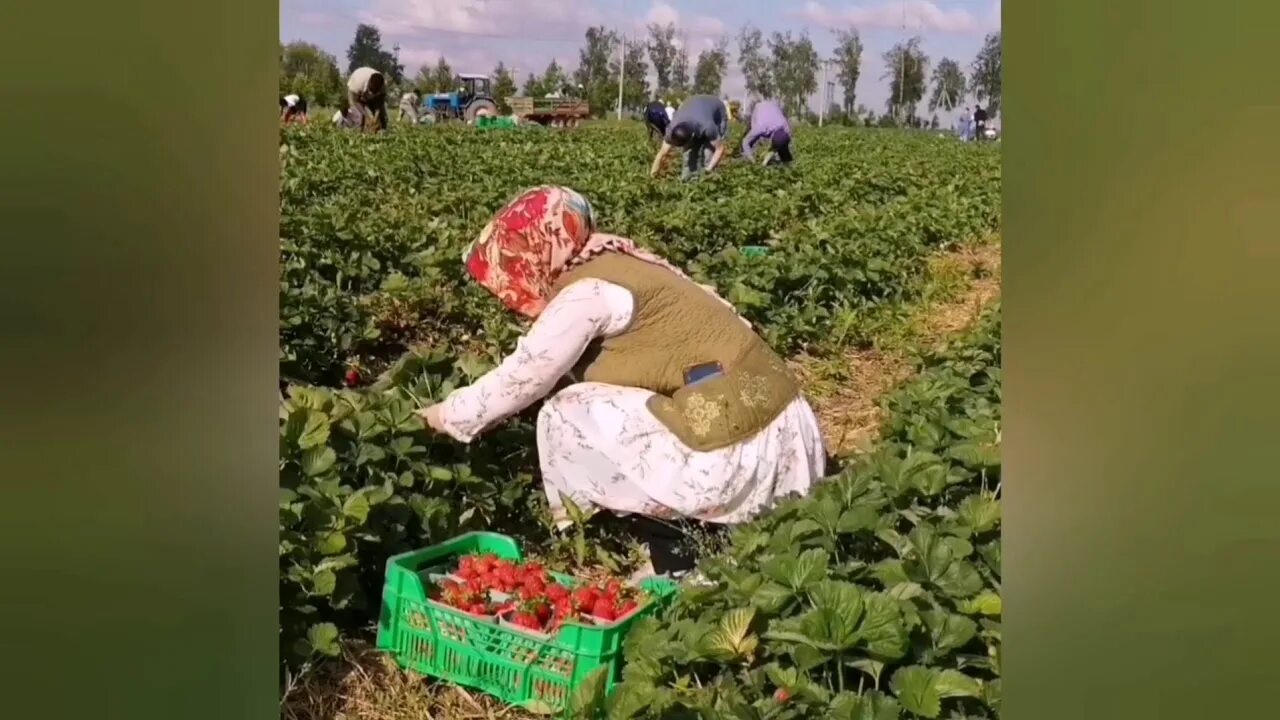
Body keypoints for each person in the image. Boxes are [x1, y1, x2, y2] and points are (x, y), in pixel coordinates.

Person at [416, 186, 827, 578]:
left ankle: (676, 547)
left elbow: (526, 375)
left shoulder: (588, 293)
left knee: (567, 410)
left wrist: (444, 416)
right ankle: (723, 526)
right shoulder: (623, 261)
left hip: (741, 447)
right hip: (786, 429)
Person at [650, 95, 731, 181]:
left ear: (692, 135)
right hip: (695, 107)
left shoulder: (708, 126)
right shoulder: (671, 130)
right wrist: (652, 177)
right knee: (689, 153)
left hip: (717, 112)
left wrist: (708, 171)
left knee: (709, 153)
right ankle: (687, 180)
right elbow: (661, 154)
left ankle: (708, 182)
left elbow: (719, 149)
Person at [741, 100, 793, 167]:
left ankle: (787, 166)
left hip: (773, 107)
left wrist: (769, 153)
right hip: (760, 108)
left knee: (783, 146)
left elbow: (780, 144)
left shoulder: (786, 128)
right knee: (749, 140)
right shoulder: (759, 127)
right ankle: (746, 157)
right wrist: (752, 161)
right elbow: (745, 142)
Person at [347, 66, 389, 132]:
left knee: (382, 116)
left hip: (370, 92)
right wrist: (366, 115)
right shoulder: (358, 83)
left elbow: (380, 102)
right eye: (371, 92)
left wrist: (375, 116)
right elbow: (355, 101)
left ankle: (382, 131)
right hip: (355, 92)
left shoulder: (383, 85)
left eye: (374, 93)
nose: (371, 95)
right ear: (369, 83)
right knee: (359, 116)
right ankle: (358, 132)